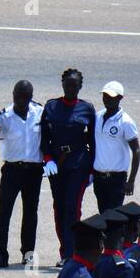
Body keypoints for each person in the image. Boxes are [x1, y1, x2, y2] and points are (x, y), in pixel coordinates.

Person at [0, 79, 43, 268]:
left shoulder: (40, 112)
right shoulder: (4, 116)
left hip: (34, 171)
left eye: (25, 98)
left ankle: (28, 254)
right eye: (17, 97)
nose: (21, 101)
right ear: (13, 96)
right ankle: (1, 254)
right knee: (4, 212)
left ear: (31, 98)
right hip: (12, 170)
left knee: (31, 213)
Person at [41, 68, 96, 265]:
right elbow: (44, 137)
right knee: (59, 208)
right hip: (56, 165)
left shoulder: (87, 109)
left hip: (78, 164)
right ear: (62, 84)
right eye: (67, 84)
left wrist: (92, 169)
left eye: (75, 85)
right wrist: (47, 159)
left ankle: (71, 253)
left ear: (80, 87)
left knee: (72, 208)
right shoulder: (51, 106)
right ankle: (64, 249)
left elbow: (93, 140)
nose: (71, 88)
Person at [92, 80, 140, 212]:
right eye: (105, 96)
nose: (106, 99)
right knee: (102, 214)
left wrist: (131, 181)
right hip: (98, 178)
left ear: (120, 98)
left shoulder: (126, 122)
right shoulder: (97, 116)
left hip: (116, 180)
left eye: (111, 97)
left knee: (113, 217)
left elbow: (136, 151)